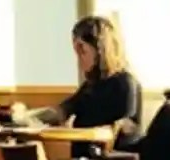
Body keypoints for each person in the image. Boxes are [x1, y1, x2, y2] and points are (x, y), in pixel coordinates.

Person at [12, 16, 142, 147]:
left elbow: (121, 130)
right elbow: (60, 112)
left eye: (82, 51)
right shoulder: (90, 86)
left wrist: (84, 134)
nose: (78, 60)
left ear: (100, 50)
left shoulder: (125, 84)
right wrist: (22, 117)